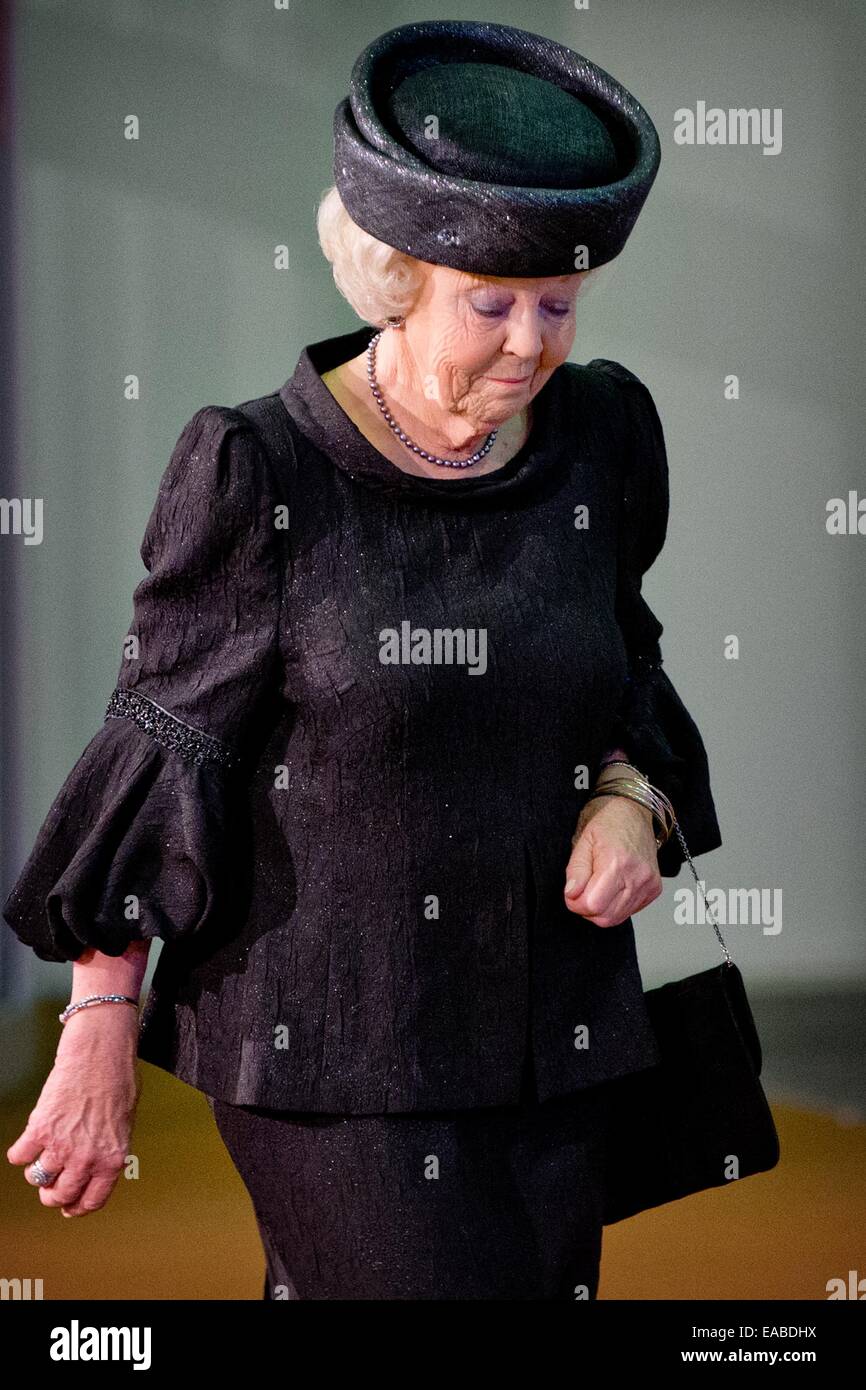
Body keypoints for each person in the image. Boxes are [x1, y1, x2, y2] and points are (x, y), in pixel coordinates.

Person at [2, 19, 722, 1299]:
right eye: (486, 304)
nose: (526, 343)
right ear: (395, 277)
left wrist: (631, 797)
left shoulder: (600, 436)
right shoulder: (256, 469)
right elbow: (164, 745)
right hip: (331, 1041)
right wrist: (99, 1021)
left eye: (553, 304)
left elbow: (625, 664)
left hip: (551, 1038)